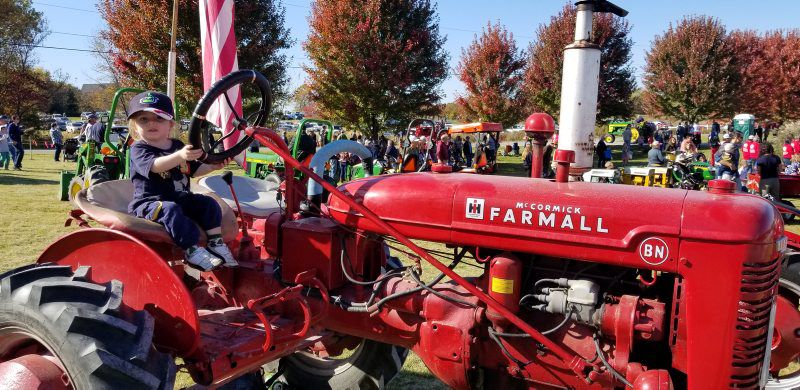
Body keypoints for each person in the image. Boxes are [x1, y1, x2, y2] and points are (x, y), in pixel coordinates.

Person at [126, 91, 236, 271]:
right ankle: (192, 251)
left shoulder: (177, 145)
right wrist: (180, 156)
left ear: (170, 123)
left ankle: (216, 243)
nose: (151, 123)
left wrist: (212, 167)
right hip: (150, 203)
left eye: (159, 118)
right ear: (135, 126)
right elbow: (155, 166)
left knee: (208, 203)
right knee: (171, 210)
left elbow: (193, 170)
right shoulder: (139, 148)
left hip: (181, 198)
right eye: (143, 119)